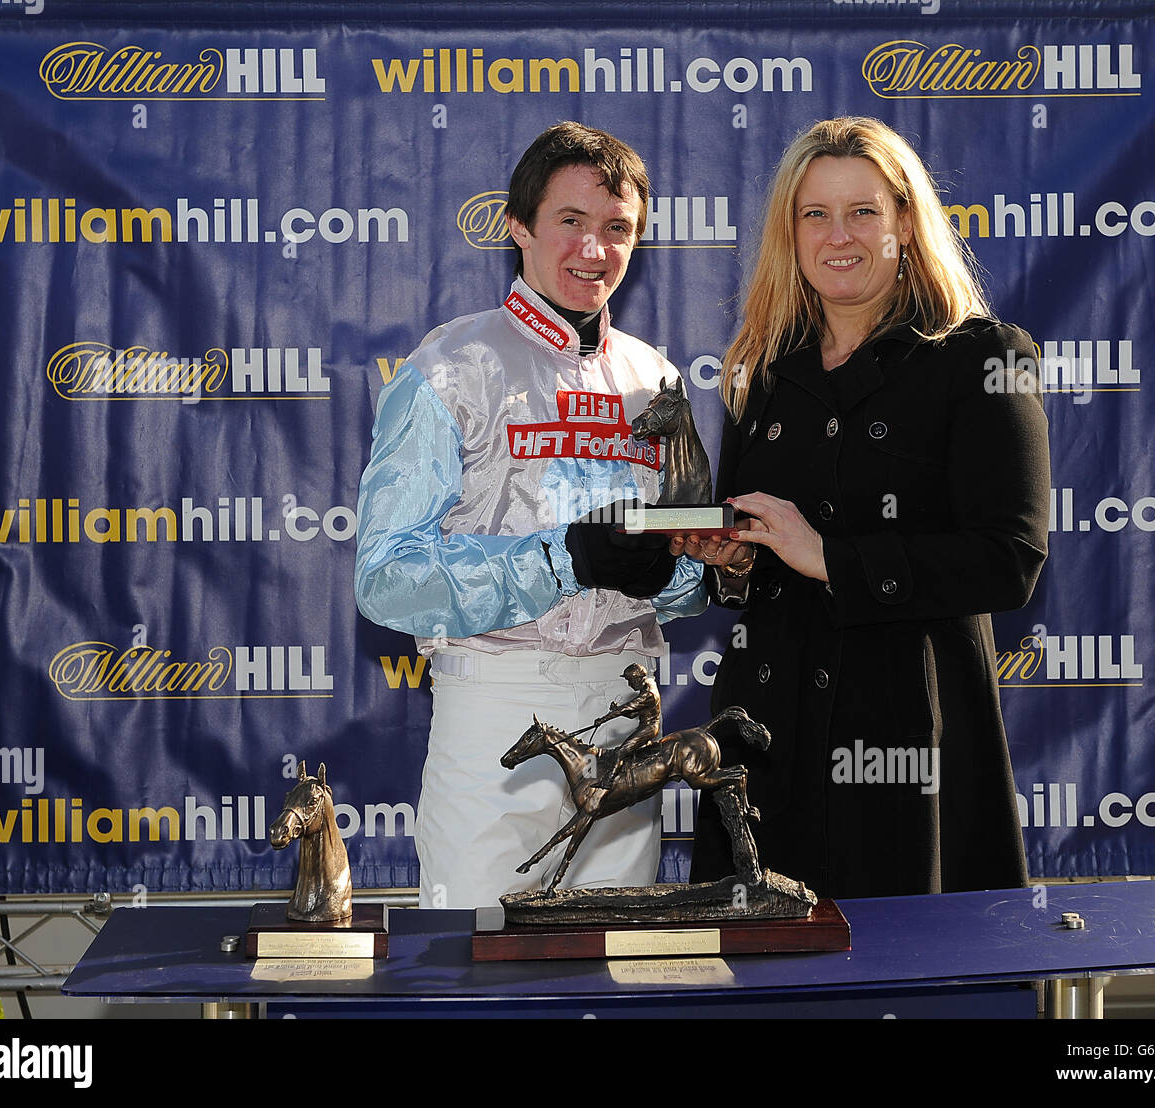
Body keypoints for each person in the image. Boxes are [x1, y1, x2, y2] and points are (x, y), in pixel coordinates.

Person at [685, 116, 1050, 899]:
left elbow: (1010, 559)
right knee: (755, 984)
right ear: (791, 233)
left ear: (907, 222)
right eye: (815, 214)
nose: (837, 234)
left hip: (902, 741)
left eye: (864, 211)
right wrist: (736, 562)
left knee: (905, 980)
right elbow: (751, 556)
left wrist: (831, 559)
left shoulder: (982, 357)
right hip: (766, 735)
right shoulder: (762, 372)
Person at [354, 122, 706, 909]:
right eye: (571, 222)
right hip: (496, 712)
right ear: (518, 227)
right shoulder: (448, 367)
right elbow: (384, 579)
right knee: (473, 973)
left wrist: (679, 572)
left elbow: (683, 585)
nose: (595, 249)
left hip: (626, 714)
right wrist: (564, 559)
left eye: (618, 229)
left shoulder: (657, 380)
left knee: (609, 985)